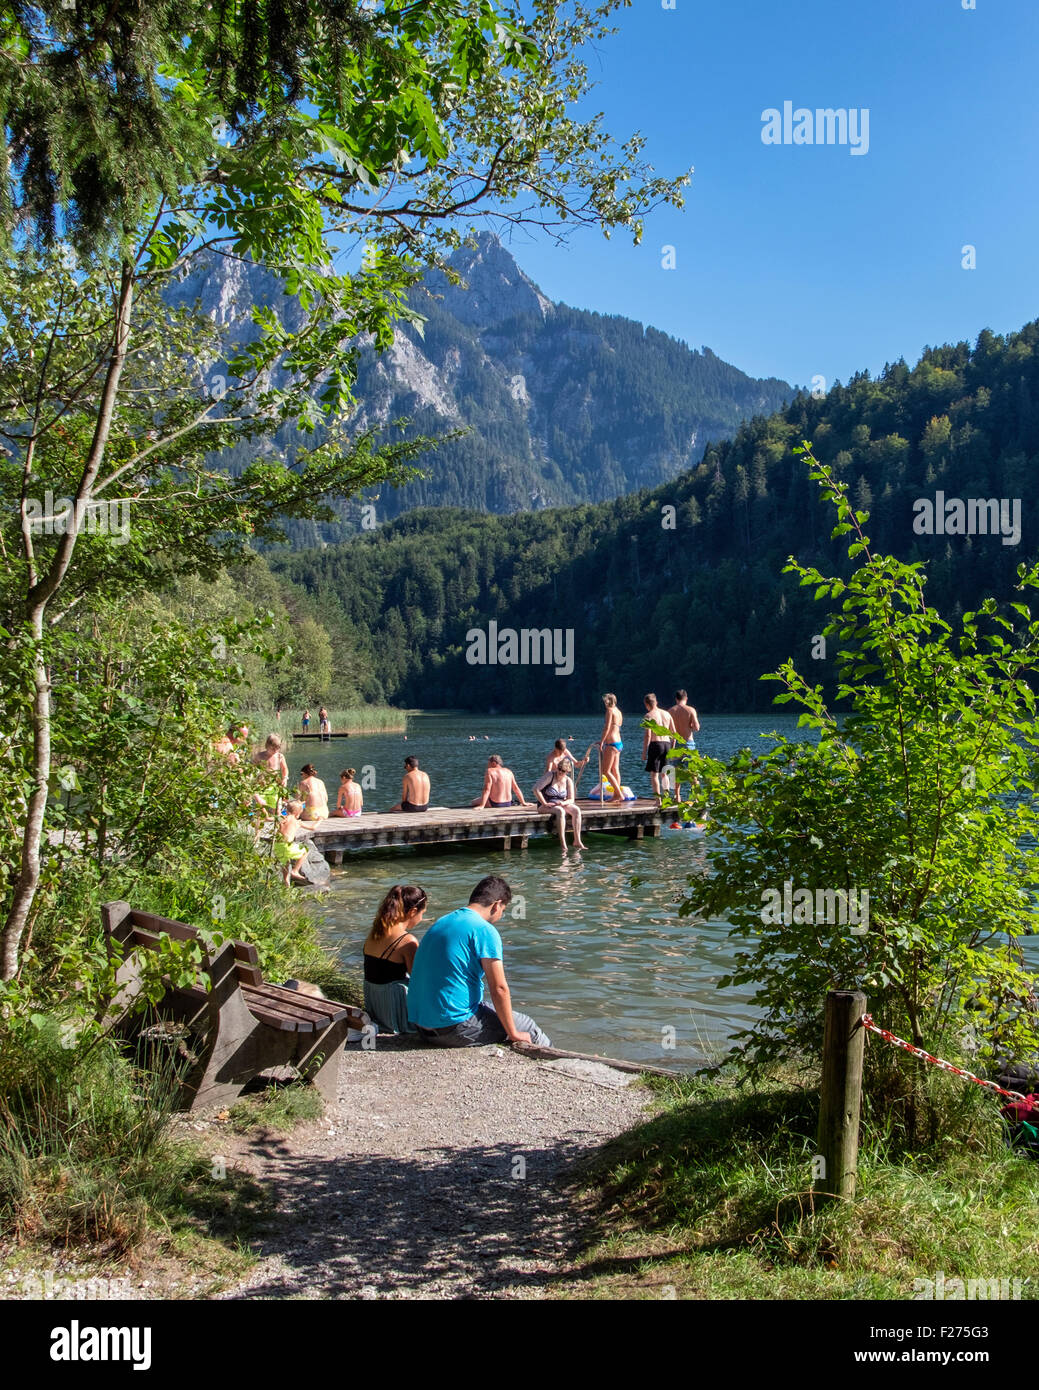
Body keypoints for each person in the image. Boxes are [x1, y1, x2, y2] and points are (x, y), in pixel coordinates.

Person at [407, 876, 551, 1048]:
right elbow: (499, 988)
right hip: (452, 1029)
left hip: (422, 1026)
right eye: (503, 910)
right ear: (497, 905)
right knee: (529, 1027)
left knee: (489, 1008)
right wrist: (513, 1033)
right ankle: (559, 1065)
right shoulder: (484, 930)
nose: (501, 915)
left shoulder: (443, 921)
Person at [362, 884, 426, 1034]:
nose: (422, 918)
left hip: (376, 1008)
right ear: (413, 912)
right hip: (396, 1013)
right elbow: (418, 982)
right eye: (422, 913)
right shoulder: (407, 941)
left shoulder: (374, 933)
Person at [533, 759, 586, 851]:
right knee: (560, 811)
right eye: (559, 769)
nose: (560, 772)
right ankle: (563, 844)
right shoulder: (550, 775)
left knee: (576, 810)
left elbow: (571, 799)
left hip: (560, 803)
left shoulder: (568, 780)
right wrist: (544, 803)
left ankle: (577, 841)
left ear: (568, 772)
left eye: (563, 771)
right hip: (545, 805)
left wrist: (563, 803)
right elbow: (535, 789)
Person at [641, 693, 677, 799]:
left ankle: (658, 800)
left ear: (646, 704)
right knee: (665, 773)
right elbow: (674, 733)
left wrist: (644, 752)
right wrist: (673, 748)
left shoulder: (648, 716)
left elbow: (647, 735)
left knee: (654, 774)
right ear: (656, 702)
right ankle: (666, 798)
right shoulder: (667, 714)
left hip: (655, 744)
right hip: (667, 744)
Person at [668, 689, 701, 801]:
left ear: (676, 699)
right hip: (688, 743)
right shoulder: (690, 710)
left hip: (676, 744)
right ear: (686, 698)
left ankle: (677, 796)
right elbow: (697, 728)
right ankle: (697, 798)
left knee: (677, 771)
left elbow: (668, 730)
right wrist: (688, 727)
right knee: (692, 772)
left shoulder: (670, 711)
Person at [274, 800, 310, 885]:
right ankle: (295, 870)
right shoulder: (297, 822)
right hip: (287, 846)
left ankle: (286, 883)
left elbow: (270, 818)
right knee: (305, 851)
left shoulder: (281, 818)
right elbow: (312, 828)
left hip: (277, 846)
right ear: (298, 813)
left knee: (285, 863)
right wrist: (319, 821)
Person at [252, 733, 289, 815]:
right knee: (260, 810)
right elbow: (251, 768)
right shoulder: (260, 756)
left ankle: (277, 823)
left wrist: (285, 778)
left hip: (275, 785)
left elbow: (284, 769)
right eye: (273, 748)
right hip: (261, 785)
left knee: (276, 809)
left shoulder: (280, 756)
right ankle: (260, 823)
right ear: (267, 745)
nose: (275, 750)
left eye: (278, 748)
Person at [598, 693, 624, 804]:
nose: (604, 704)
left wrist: (602, 741)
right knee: (615, 770)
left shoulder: (610, 711)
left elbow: (607, 727)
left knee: (606, 771)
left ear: (608, 702)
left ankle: (618, 794)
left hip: (611, 743)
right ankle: (616, 795)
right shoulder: (618, 712)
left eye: (605, 701)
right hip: (619, 742)